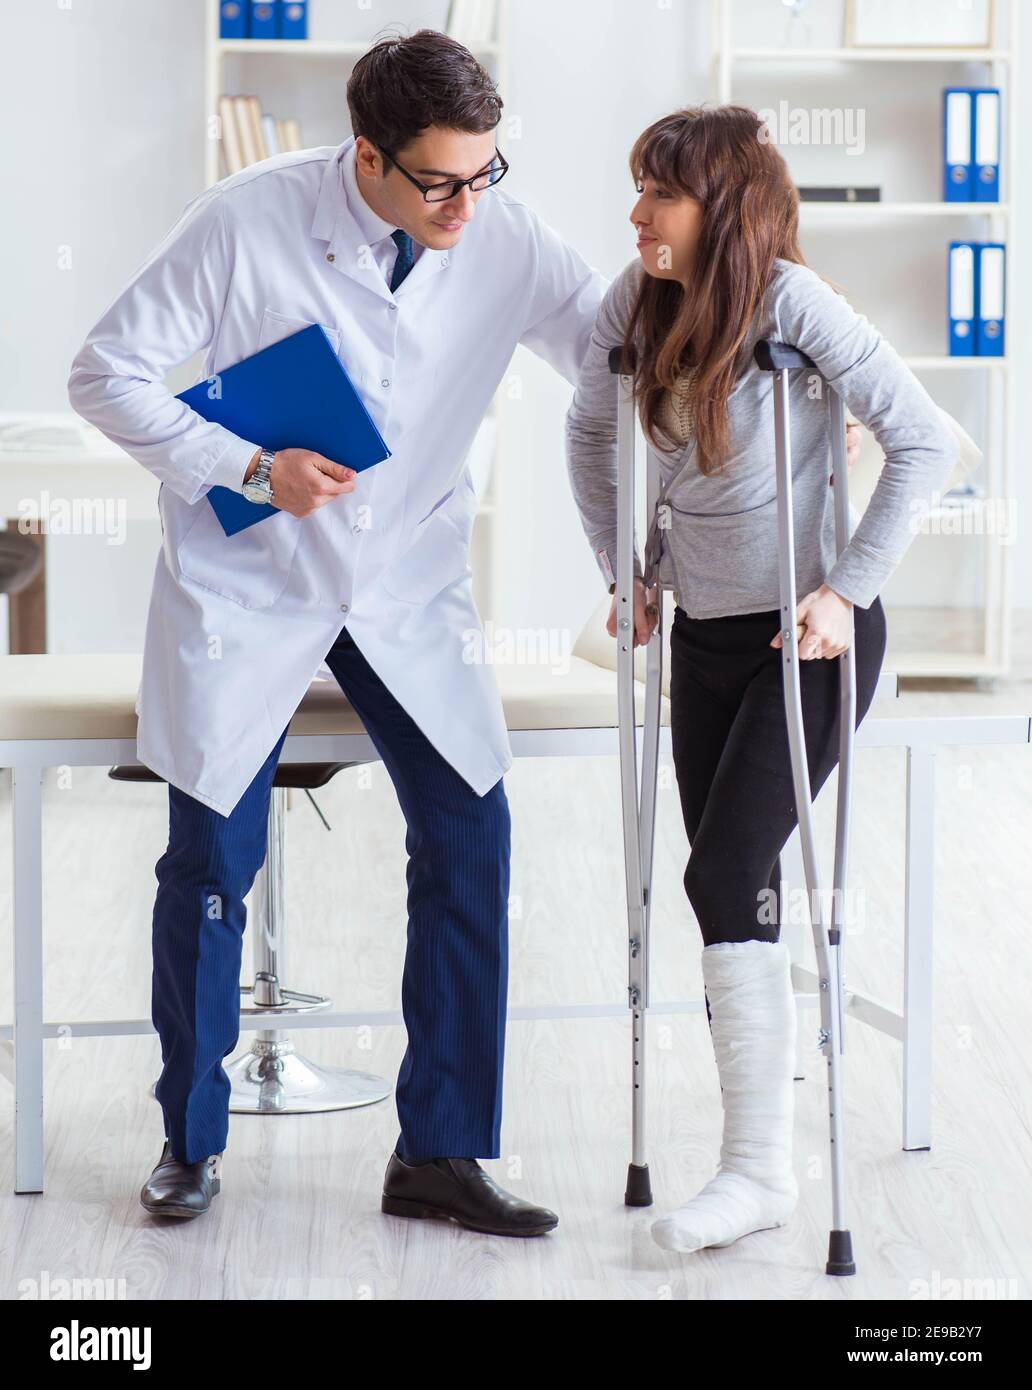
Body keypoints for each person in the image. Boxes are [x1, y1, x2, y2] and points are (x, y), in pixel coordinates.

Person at [67, 29, 610, 1235]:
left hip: (406, 584)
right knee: (210, 859)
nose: (468, 204)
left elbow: (613, 356)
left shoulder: (501, 232)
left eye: (486, 173)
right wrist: (252, 464)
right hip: (251, 578)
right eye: (440, 182)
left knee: (473, 831)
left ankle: (443, 1152)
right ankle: (189, 1140)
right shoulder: (244, 218)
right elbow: (107, 373)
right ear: (366, 155)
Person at [564, 105, 958, 1255]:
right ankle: (757, 1152)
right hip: (705, 634)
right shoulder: (634, 300)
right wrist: (624, 568)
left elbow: (923, 435)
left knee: (726, 865)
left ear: (720, 208)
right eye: (638, 191)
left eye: (660, 194)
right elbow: (588, 429)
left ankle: (759, 1173)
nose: (637, 215)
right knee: (731, 882)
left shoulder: (792, 301)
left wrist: (848, 587)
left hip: (814, 639)